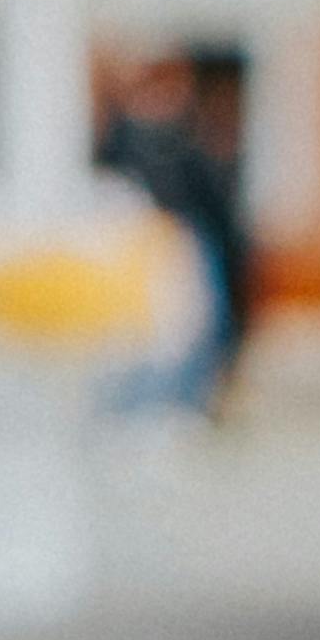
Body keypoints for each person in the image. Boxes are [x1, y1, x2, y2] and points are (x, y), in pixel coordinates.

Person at [95, 48, 255, 418]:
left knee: (184, 336)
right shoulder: (151, 138)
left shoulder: (181, 139)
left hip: (186, 253)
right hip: (159, 255)